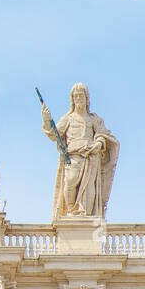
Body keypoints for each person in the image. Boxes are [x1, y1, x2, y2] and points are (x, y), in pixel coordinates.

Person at [42, 82, 119, 219]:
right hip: (73, 157)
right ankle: (71, 211)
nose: (78, 99)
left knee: (90, 190)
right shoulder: (68, 118)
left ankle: (86, 217)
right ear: (72, 99)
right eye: (75, 96)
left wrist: (99, 143)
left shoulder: (94, 119)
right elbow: (55, 135)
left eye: (81, 96)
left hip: (90, 157)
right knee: (70, 182)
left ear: (86, 98)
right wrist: (47, 121)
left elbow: (104, 134)